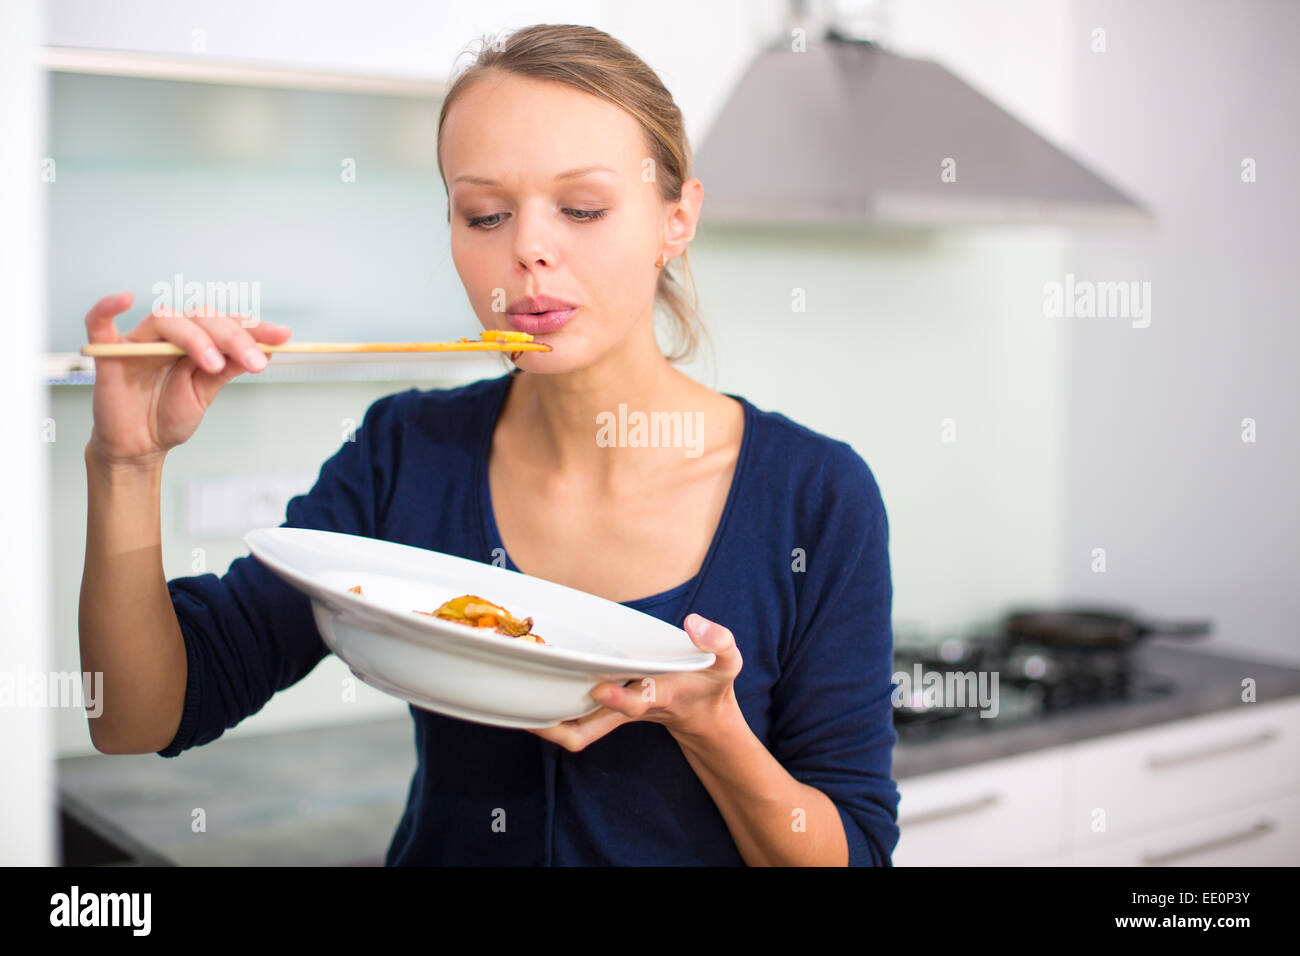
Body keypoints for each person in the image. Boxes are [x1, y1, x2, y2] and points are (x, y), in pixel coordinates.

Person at [78, 23, 899, 866]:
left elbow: (853, 854)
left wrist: (710, 726)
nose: (528, 250)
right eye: (485, 214)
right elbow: (139, 716)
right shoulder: (406, 452)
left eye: (582, 208)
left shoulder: (815, 496)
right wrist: (128, 465)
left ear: (676, 218)